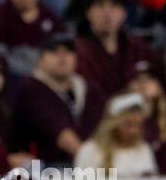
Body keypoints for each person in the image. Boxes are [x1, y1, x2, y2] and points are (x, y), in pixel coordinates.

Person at [10, 35, 105, 167]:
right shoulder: (31, 88)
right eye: (54, 51)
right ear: (40, 59)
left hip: (87, 164)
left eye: (68, 52)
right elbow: (60, 134)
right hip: (47, 167)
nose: (62, 57)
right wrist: (94, 163)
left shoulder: (90, 90)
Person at [75, 92, 158, 177]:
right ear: (113, 124)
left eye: (138, 126)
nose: (133, 131)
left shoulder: (144, 149)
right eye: (128, 125)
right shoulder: (89, 150)